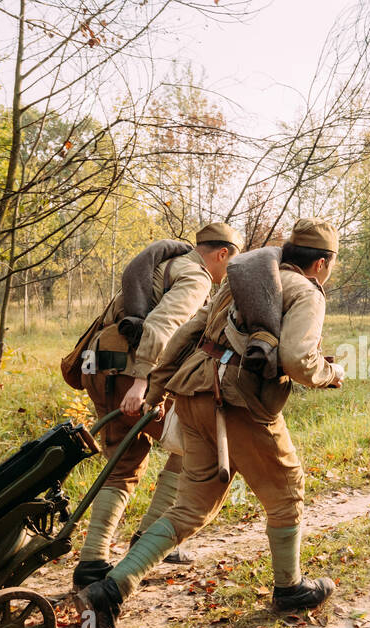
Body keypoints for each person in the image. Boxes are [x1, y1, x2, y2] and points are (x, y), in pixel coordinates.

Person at [74, 218, 345, 628]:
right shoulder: (305, 291)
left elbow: (187, 333)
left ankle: (110, 591)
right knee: (287, 491)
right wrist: (330, 373)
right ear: (321, 263)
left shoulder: (242, 280)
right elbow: (298, 358)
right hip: (237, 404)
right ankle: (290, 588)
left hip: (193, 394)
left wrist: (158, 387)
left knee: (192, 507)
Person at [72, 222, 243, 591]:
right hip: (130, 375)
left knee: (122, 463)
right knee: (192, 445)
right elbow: (163, 326)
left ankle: (91, 562)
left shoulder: (163, 266)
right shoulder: (196, 277)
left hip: (99, 367)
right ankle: (150, 539)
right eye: (231, 263)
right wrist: (141, 382)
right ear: (222, 254)